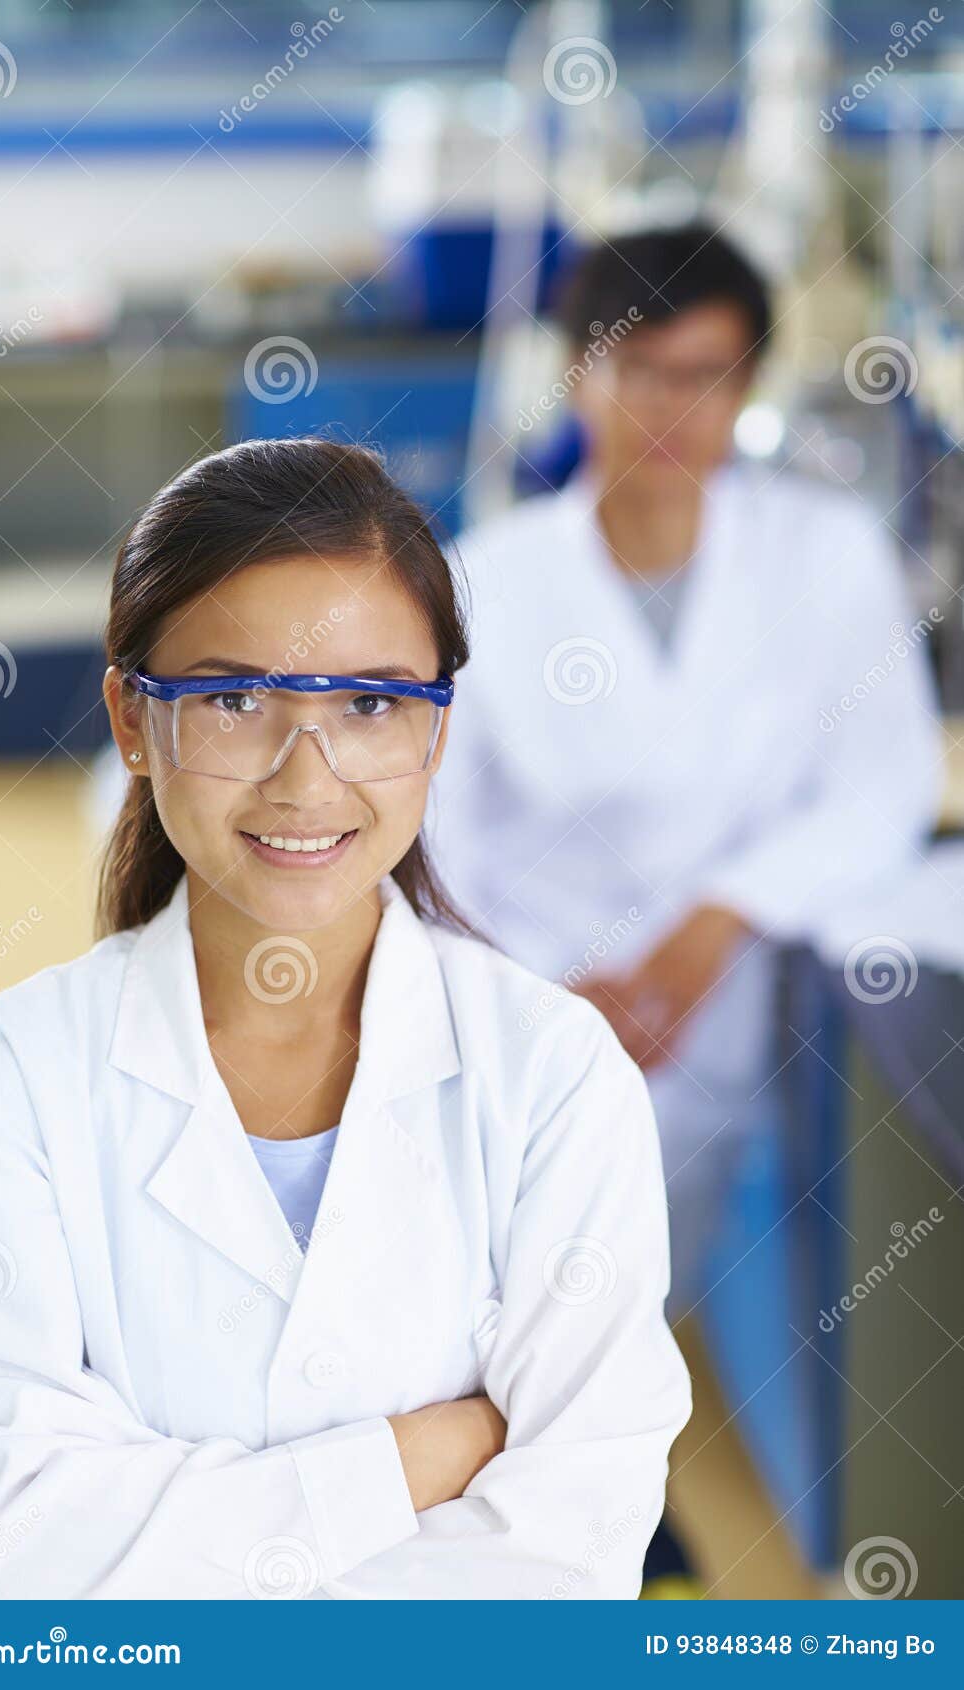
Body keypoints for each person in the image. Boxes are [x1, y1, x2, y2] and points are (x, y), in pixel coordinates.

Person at [0, 438, 690, 1601]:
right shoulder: (6, 1086)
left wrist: (187, 1543)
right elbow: (31, 1558)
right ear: (131, 719)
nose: (305, 779)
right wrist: (415, 1456)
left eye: (370, 702)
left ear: (436, 726)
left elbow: (570, 1553)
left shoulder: (553, 1075)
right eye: (231, 699)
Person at [431, 221, 942, 1320]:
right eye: (637, 371)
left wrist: (710, 924)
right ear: (577, 375)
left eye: (704, 376)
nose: (668, 409)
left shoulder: (821, 551)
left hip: (730, 998)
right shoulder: (483, 581)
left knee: (616, 1298)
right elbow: (435, 837)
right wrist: (549, 1000)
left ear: (747, 383)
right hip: (529, 990)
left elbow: (883, 784)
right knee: (493, 1283)